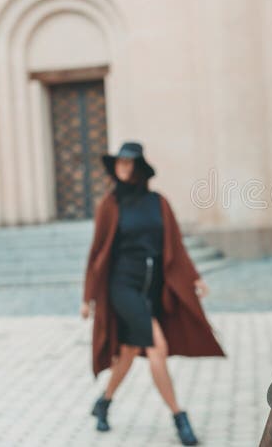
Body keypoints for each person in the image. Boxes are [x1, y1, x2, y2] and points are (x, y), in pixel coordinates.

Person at [81, 141, 224, 446]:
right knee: (156, 347)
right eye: (118, 163)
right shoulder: (110, 204)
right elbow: (97, 252)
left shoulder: (158, 202)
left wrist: (193, 277)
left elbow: (175, 244)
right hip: (122, 286)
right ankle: (179, 418)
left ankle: (103, 403)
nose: (122, 168)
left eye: (128, 163)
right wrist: (87, 296)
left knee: (131, 351)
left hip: (153, 288)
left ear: (139, 168)